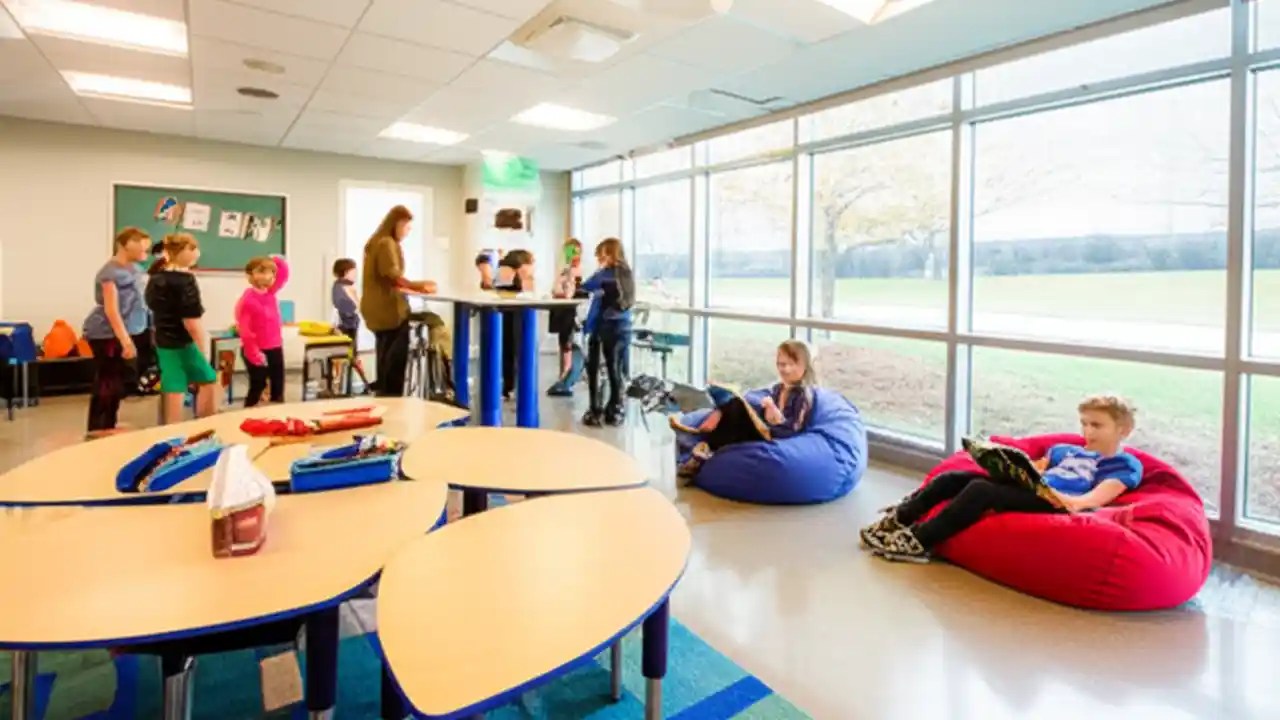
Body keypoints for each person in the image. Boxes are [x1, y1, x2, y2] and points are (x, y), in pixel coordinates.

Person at [861, 394, 1143, 563]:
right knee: (953, 478)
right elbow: (1035, 468)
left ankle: (920, 542)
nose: (1087, 432)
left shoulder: (1121, 463)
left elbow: (1102, 493)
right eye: (1084, 423)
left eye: (1097, 425)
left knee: (981, 490)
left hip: (1054, 500)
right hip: (1032, 487)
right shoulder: (1065, 450)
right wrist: (1007, 466)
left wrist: (1075, 503)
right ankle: (900, 517)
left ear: (1123, 430)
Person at [671, 339, 818, 477]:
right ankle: (704, 443)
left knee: (736, 408)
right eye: (781, 364)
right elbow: (759, 404)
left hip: (773, 434)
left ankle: (705, 448)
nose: (785, 369)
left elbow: (793, 428)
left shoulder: (803, 395)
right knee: (733, 404)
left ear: (804, 365)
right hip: (765, 427)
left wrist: (773, 422)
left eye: (791, 365)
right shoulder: (778, 389)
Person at [361, 205, 437, 397]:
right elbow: (392, 275)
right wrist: (418, 286)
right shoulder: (386, 243)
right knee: (394, 360)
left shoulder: (376, 242)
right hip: (389, 310)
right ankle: (392, 398)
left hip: (376, 309)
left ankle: (384, 396)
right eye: (406, 227)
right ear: (398, 224)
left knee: (384, 355)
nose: (407, 231)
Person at [83, 226, 152, 434]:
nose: (144, 252)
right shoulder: (110, 273)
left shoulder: (136, 269)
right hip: (107, 333)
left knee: (118, 383)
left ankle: (109, 426)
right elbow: (112, 310)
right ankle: (98, 428)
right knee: (107, 382)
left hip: (130, 329)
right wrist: (125, 341)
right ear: (124, 245)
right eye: (140, 246)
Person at [144, 233, 217, 422]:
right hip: (184, 342)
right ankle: (206, 425)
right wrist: (203, 351)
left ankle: (170, 430)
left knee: (173, 382)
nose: (197, 253)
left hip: (163, 340)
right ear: (180, 252)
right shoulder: (185, 280)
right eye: (192, 249)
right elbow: (191, 322)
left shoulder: (155, 277)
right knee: (207, 379)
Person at [580, 238, 634, 427]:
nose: (600, 257)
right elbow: (585, 286)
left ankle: (615, 407)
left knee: (614, 368)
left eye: (604, 253)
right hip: (598, 326)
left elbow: (626, 299)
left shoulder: (623, 273)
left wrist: (605, 293)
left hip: (616, 326)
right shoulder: (602, 273)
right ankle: (595, 408)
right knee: (594, 368)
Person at [234, 254, 290, 407]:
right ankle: (248, 413)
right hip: (256, 350)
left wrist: (275, 259)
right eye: (261, 271)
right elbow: (245, 330)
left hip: (275, 347)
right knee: (257, 385)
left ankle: (277, 417)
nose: (267, 276)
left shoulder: (270, 293)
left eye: (271, 272)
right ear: (250, 275)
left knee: (278, 387)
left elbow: (284, 274)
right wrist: (254, 354)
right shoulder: (248, 299)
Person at [494, 249, 535, 400]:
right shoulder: (508, 271)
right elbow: (528, 289)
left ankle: (508, 386)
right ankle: (511, 386)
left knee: (508, 351)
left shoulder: (501, 270)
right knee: (514, 351)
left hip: (505, 313)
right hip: (514, 313)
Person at [547, 238, 585, 396]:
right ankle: (563, 374)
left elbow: (569, 292)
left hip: (570, 310)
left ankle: (567, 376)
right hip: (560, 308)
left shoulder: (576, 270)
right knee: (563, 343)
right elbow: (554, 288)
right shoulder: (565, 268)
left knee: (567, 343)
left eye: (574, 251)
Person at [331, 258, 372, 392]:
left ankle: (359, 385)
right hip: (346, 327)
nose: (355, 274)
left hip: (349, 326)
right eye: (353, 271)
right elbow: (353, 308)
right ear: (345, 272)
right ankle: (363, 385)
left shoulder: (340, 286)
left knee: (351, 357)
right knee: (349, 357)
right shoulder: (343, 287)